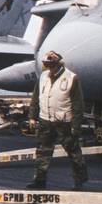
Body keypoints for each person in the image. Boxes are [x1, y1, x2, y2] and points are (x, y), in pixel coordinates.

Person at [27, 50, 88, 190]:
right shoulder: (43, 76)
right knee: (42, 152)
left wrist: (76, 126)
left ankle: (80, 181)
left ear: (59, 65)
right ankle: (39, 181)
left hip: (64, 122)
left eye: (52, 65)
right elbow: (36, 97)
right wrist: (32, 117)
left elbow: (78, 104)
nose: (49, 68)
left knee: (73, 152)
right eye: (47, 65)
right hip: (45, 121)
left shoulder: (72, 78)